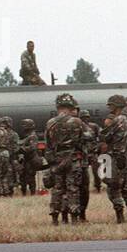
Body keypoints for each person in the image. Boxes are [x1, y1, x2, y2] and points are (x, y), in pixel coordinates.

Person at [44, 92, 86, 223]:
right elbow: (86, 138)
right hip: (72, 159)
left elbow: (48, 144)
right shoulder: (76, 121)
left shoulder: (50, 123)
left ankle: (55, 218)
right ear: (71, 107)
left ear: (58, 107)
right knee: (72, 188)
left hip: (57, 160)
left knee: (57, 189)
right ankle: (74, 218)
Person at [99, 94, 127, 223]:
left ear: (116, 106)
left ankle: (120, 216)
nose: (109, 108)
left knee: (113, 187)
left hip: (114, 159)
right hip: (126, 158)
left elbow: (105, 136)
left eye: (110, 105)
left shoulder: (117, 120)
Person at [17, 118, 40, 195]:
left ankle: (32, 193)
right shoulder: (26, 135)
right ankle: (24, 192)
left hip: (31, 159)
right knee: (22, 177)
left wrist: (22, 148)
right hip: (26, 159)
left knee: (30, 177)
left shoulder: (33, 136)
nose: (23, 126)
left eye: (25, 125)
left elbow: (33, 147)